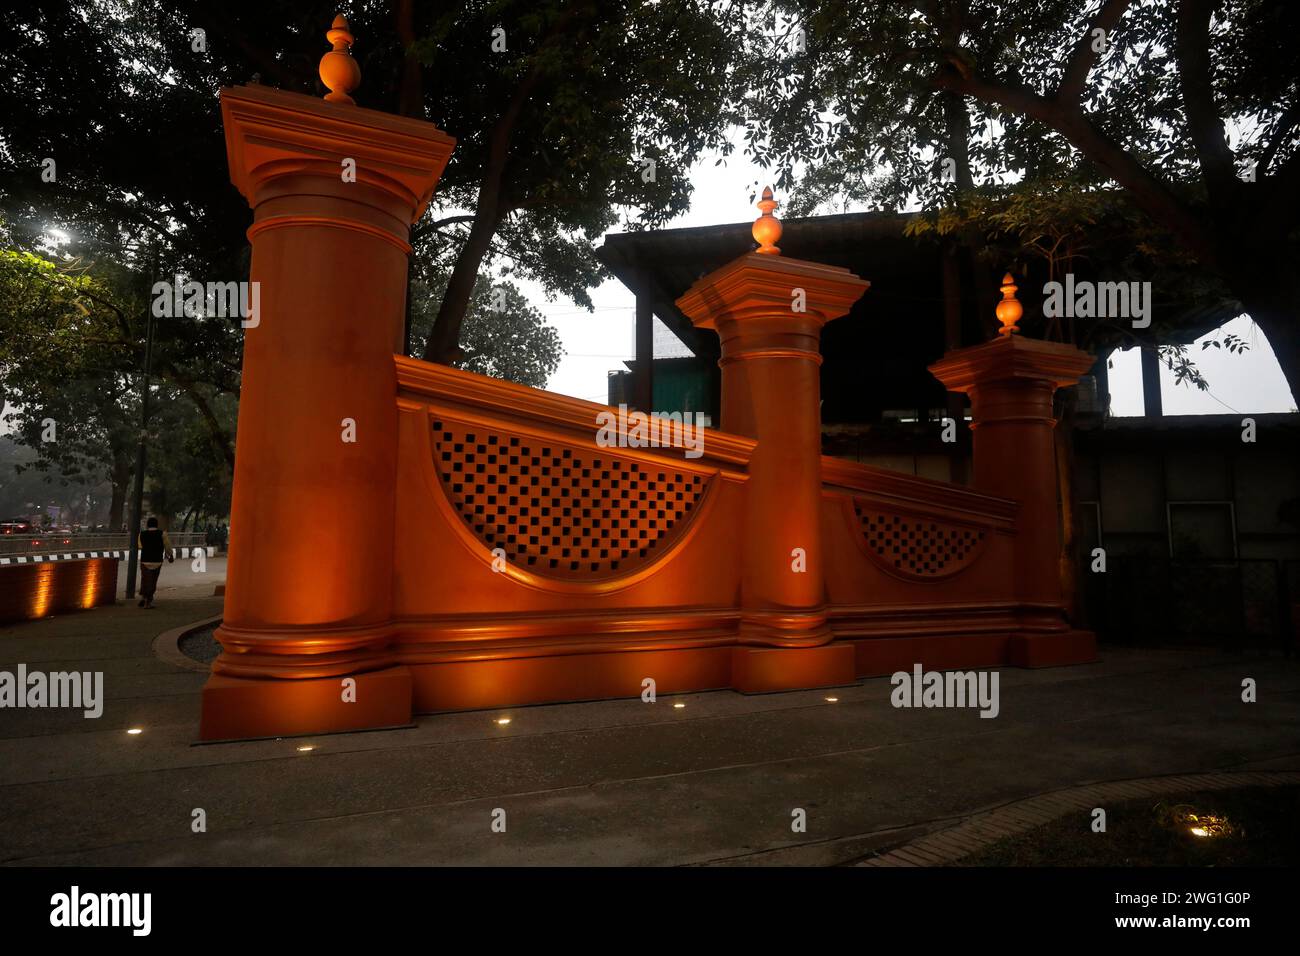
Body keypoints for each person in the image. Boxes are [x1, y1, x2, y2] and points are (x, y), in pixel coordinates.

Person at [137, 517, 174, 609]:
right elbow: (167, 547)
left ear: (147, 525)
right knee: (153, 581)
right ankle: (148, 602)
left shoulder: (142, 534)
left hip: (145, 560)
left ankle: (143, 597)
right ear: (157, 525)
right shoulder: (162, 534)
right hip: (157, 561)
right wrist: (170, 556)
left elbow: (140, 546)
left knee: (144, 579)